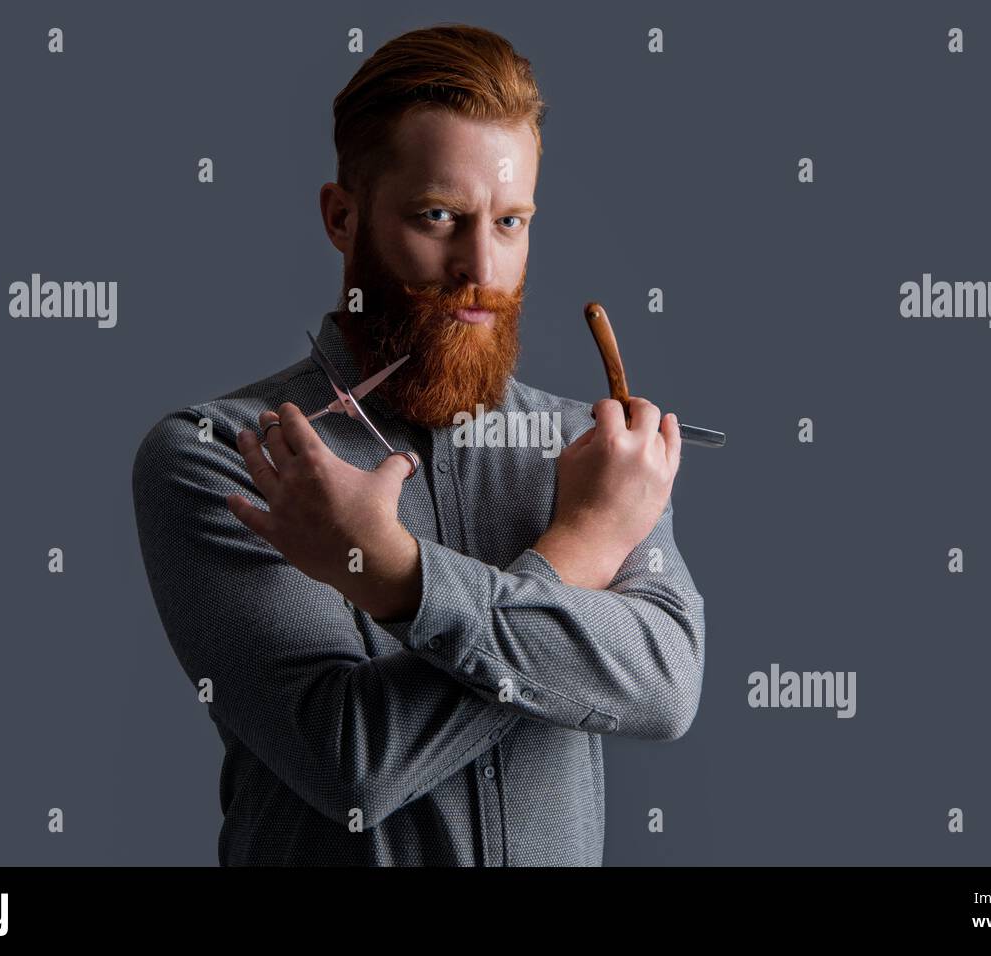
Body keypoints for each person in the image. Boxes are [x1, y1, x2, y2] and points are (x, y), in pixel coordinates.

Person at [131, 23, 705, 866]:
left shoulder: (595, 451)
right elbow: (353, 763)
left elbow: (665, 690)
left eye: (511, 222)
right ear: (341, 216)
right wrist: (581, 550)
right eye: (439, 216)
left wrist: (402, 583)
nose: (480, 265)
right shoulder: (221, 454)